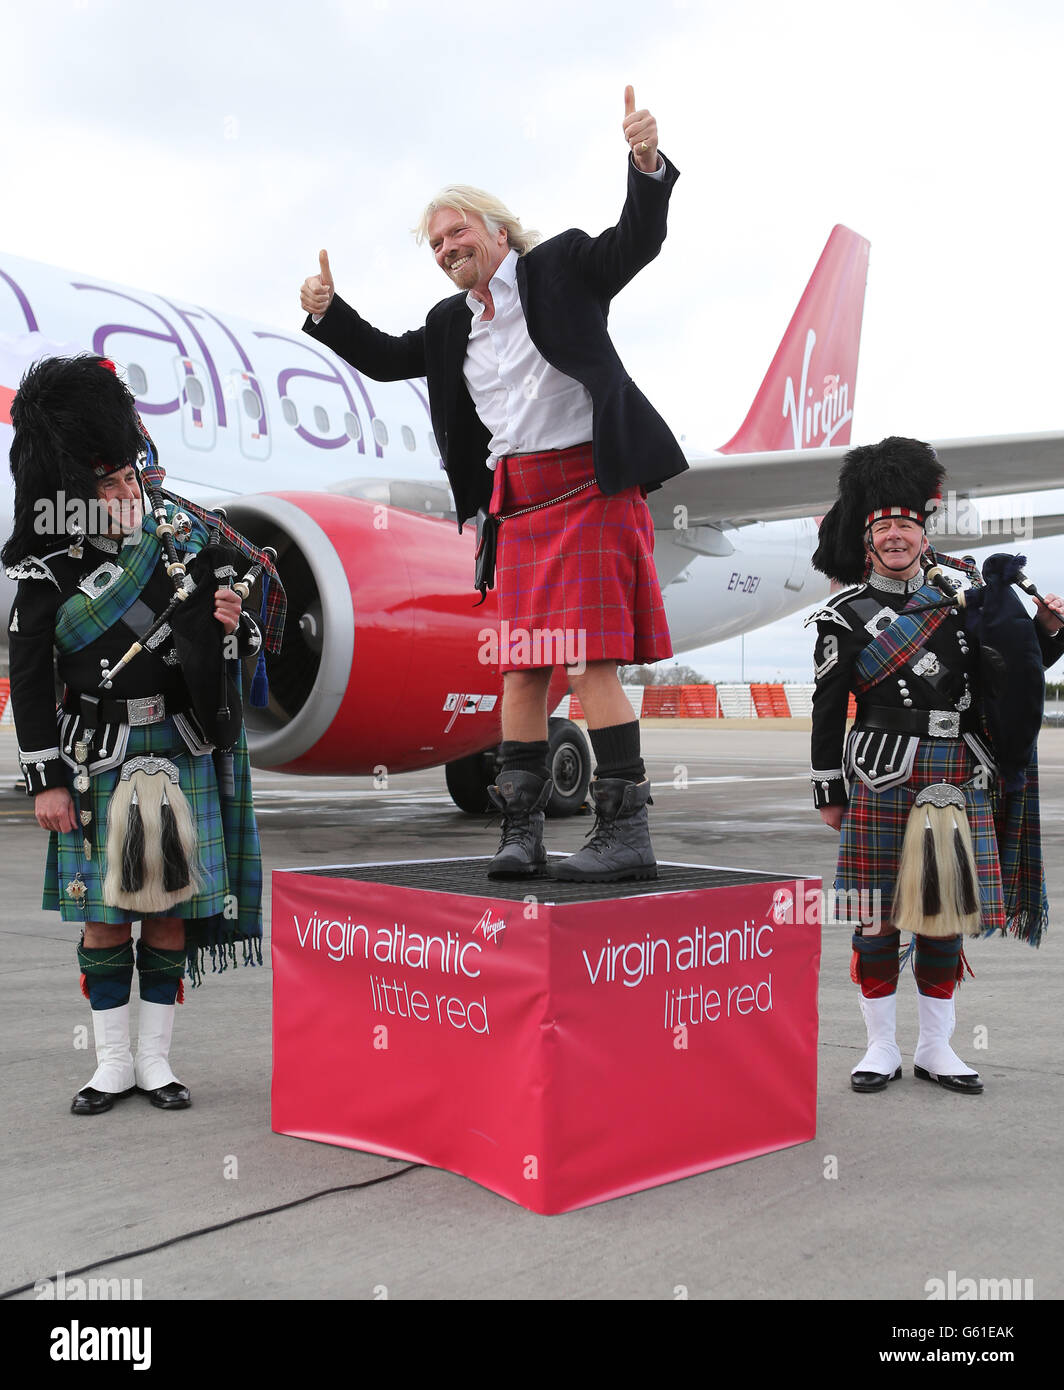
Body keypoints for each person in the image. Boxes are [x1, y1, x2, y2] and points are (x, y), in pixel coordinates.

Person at [299, 87, 687, 882]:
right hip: (517, 505)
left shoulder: (561, 268)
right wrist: (329, 310)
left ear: (497, 229)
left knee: (589, 666)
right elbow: (379, 355)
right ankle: (521, 831)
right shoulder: (451, 326)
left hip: (589, 487)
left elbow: (634, 243)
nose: (446, 248)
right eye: (435, 243)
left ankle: (625, 834)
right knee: (521, 670)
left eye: (457, 231)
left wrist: (644, 163)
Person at [3, 354, 283, 1115]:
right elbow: (29, 680)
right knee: (102, 918)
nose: (130, 493)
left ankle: (156, 1064)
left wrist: (234, 629)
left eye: (132, 478)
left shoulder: (178, 546)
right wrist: (47, 780)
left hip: (176, 747)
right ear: (75, 494)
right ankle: (110, 1066)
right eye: (113, 484)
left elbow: (240, 643)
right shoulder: (45, 572)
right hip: (96, 759)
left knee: (165, 914)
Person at [807, 437, 1064, 1094]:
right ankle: (880, 1047)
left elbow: (1009, 675)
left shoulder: (964, 599)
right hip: (880, 773)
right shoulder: (843, 615)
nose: (895, 537)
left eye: (906, 527)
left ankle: (936, 1048)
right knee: (876, 916)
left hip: (955, 772)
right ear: (868, 543)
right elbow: (828, 708)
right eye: (883, 528)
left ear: (923, 534)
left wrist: (1050, 635)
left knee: (944, 913)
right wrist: (828, 789)